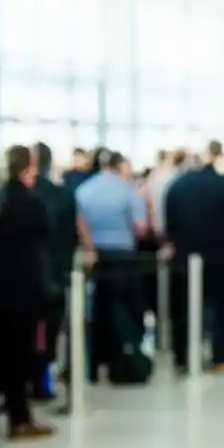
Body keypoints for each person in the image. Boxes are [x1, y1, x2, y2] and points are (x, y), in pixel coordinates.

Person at [0, 145, 55, 440]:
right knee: (20, 357)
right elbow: (44, 238)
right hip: (24, 291)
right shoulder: (33, 203)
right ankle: (19, 418)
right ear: (29, 167)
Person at [164, 141, 224, 372]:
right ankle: (220, 355)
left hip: (184, 256)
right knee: (222, 307)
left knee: (184, 308)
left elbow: (168, 224)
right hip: (221, 255)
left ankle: (182, 358)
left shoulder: (177, 185)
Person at [75, 150, 148, 381]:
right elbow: (140, 227)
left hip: (95, 257)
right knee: (125, 310)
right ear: (119, 167)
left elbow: (77, 222)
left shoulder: (84, 190)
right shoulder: (128, 191)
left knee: (98, 311)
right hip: (124, 257)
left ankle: (95, 364)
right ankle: (124, 358)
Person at [31, 143, 78, 400]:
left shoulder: (25, 194)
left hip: (29, 276)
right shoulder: (63, 195)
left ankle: (35, 378)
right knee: (51, 331)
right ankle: (45, 379)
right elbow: (71, 235)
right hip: (57, 274)